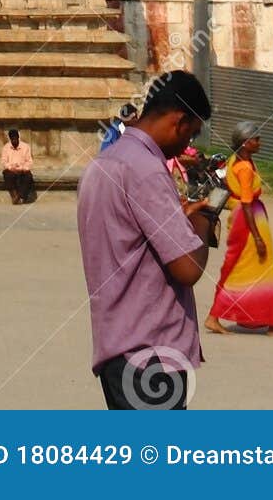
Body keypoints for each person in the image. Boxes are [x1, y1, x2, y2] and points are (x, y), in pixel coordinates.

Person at [77, 69, 219, 409]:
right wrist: (202, 221)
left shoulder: (104, 163)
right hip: (151, 352)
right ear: (179, 121)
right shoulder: (146, 169)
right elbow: (187, 269)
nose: (188, 146)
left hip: (117, 345)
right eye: (192, 134)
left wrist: (178, 218)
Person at [205, 122, 273, 339]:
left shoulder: (238, 160)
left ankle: (221, 316)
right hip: (248, 221)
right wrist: (257, 238)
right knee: (260, 270)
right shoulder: (244, 168)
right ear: (246, 143)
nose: (259, 142)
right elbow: (246, 203)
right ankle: (272, 325)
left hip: (244, 218)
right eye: (256, 139)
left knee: (240, 268)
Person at [1, 128, 36, 204]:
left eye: (15, 139)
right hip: (11, 170)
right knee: (7, 175)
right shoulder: (6, 148)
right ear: (10, 139)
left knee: (29, 177)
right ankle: (14, 195)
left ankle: (19, 196)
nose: (14, 141)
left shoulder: (25, 147)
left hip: (23, 169)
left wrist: (23, 168)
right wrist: (11, 168)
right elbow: (4, 162)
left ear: (18, 138)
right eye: (12, 139)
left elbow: (29, 161)